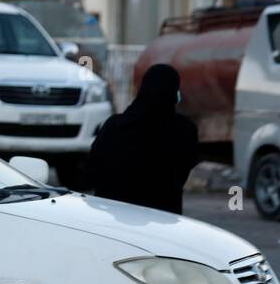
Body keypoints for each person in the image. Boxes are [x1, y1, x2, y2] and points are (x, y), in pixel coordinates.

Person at [85, 63, 199, 215]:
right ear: (173, 91)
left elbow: (93, 168)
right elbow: (185, 167)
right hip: (165, 216)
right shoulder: (184, 129)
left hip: (113, 214)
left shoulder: (114, 126)